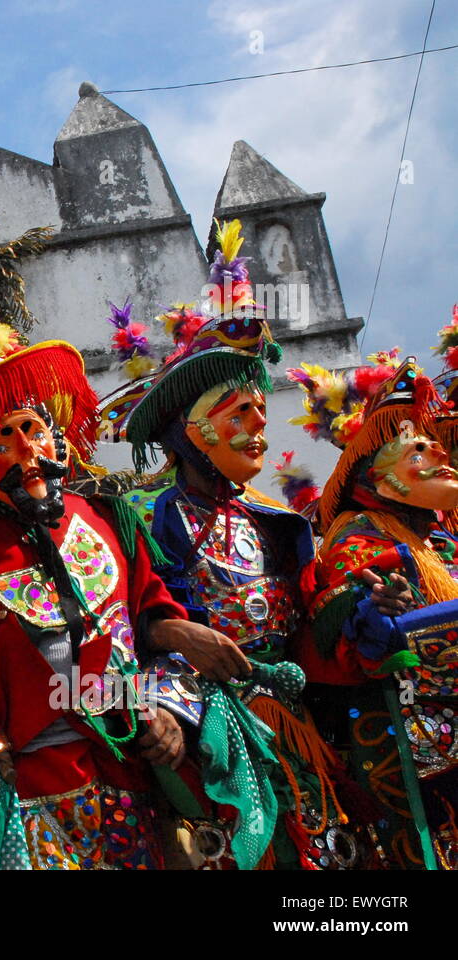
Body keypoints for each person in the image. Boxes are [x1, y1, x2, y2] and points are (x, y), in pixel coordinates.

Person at [96, 219, 374, 869]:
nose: (257, 429)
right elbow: (109, 634)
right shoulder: (139, 518)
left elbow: (306, 628)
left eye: (259, 410)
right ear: (184, 430)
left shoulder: (275, 522)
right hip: (197, 730)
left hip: (296, 722)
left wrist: (355, 612)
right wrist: (160, 676)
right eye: (235, 413)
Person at [0, 328, 198, 869]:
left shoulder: (105, 517)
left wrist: (166, 705)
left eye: (35, 430)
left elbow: (150, 622)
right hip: (26, 789)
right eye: (5, 439)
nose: (29, 452)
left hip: (132, 769)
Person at [291, 351, 458, 868]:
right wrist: (372, 613)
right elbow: (340, 630)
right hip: (412, 753)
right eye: (418, 447)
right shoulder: (358, 538)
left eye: (436, 441)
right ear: (383, 480)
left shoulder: (436, 544)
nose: (438, 451)